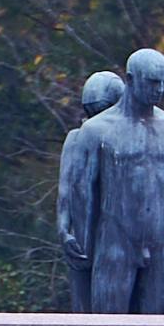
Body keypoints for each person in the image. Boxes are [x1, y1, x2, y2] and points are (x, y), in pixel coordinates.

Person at [94, 46, 164, 312]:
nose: (159, 89)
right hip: (117, 236)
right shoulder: (98, 130)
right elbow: (83, 191)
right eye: (152, 82)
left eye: (163, 82)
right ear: (130, 80)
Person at [50, 68, 123, 303]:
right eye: (89, 113)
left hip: (120, 237)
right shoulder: (76, 138)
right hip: (83, 234)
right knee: (83, 306)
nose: (93, 120)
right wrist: (63, 229)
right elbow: (65, 189)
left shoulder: (130, 142)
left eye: (100, 112)